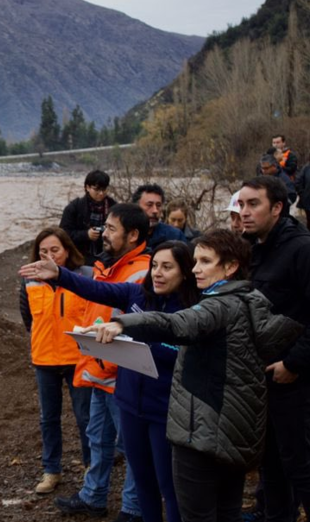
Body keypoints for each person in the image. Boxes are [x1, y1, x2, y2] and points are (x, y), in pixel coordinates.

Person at [83, 229, 302, 522]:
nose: (195, 268)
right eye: (195, 261)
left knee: (193, 512)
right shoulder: (251, 300)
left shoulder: (218, 305)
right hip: (237, 428)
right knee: (226, 511)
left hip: (203, 429)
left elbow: (178, 324)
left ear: (231, 266)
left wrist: (122, 323)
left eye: (205, 261)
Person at [20, 240, 200, 522]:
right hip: (129, 405)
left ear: (186, 272)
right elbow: (96, 288)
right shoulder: (136, 295)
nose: (158, 273)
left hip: (165, 411)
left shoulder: (192, 311)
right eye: (154, 266)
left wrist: (141, 342)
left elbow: (182, 354)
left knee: (170, 486)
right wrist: (60, 274)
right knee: (143, 482)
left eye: (167, 267)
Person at [238, 175, 310, 522]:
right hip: (263, 377)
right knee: (270, 463)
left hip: (293, 380)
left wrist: (295, 363)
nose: (244, 211)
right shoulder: (259, 246)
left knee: (299, 466)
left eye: (253, 204)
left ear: (277, 208)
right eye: (240, 204)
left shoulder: (305, 250)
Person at [55, 203, 152, 522]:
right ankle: (93, 496)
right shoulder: (106, 265)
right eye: (105, 228)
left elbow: (135, 327)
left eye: (112, 229)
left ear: (133, 234)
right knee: (98, 440)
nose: (104, 234)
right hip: (98, 369)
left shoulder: (143, 272)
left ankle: (133, 508)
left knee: (134, 447)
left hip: (121, 374)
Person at [18, 227, 91, 494]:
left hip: (77, 357)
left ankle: (90, 467)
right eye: (43, 252)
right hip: (44, 358)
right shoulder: (29, 281)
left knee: (85, 417)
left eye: (55, 250)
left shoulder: (85, 277)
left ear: (68, 250)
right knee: (48, 418)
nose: (49, 256)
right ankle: (51, 471)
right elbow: (28, 318)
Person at [61, 170, 117, 264]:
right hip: (79, 257)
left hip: (107, 256)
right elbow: (63, 234)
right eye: (97, 189)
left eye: (104, 189)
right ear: (87, 187)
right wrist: (86, 234)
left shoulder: (113, 207)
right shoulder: (75, 207)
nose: (101, 193)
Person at [132, 184, 186, 251]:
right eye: (149, 205)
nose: (155, 210)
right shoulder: (127, 234)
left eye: (158, 205)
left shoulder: (174, 236)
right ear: (136, 207)